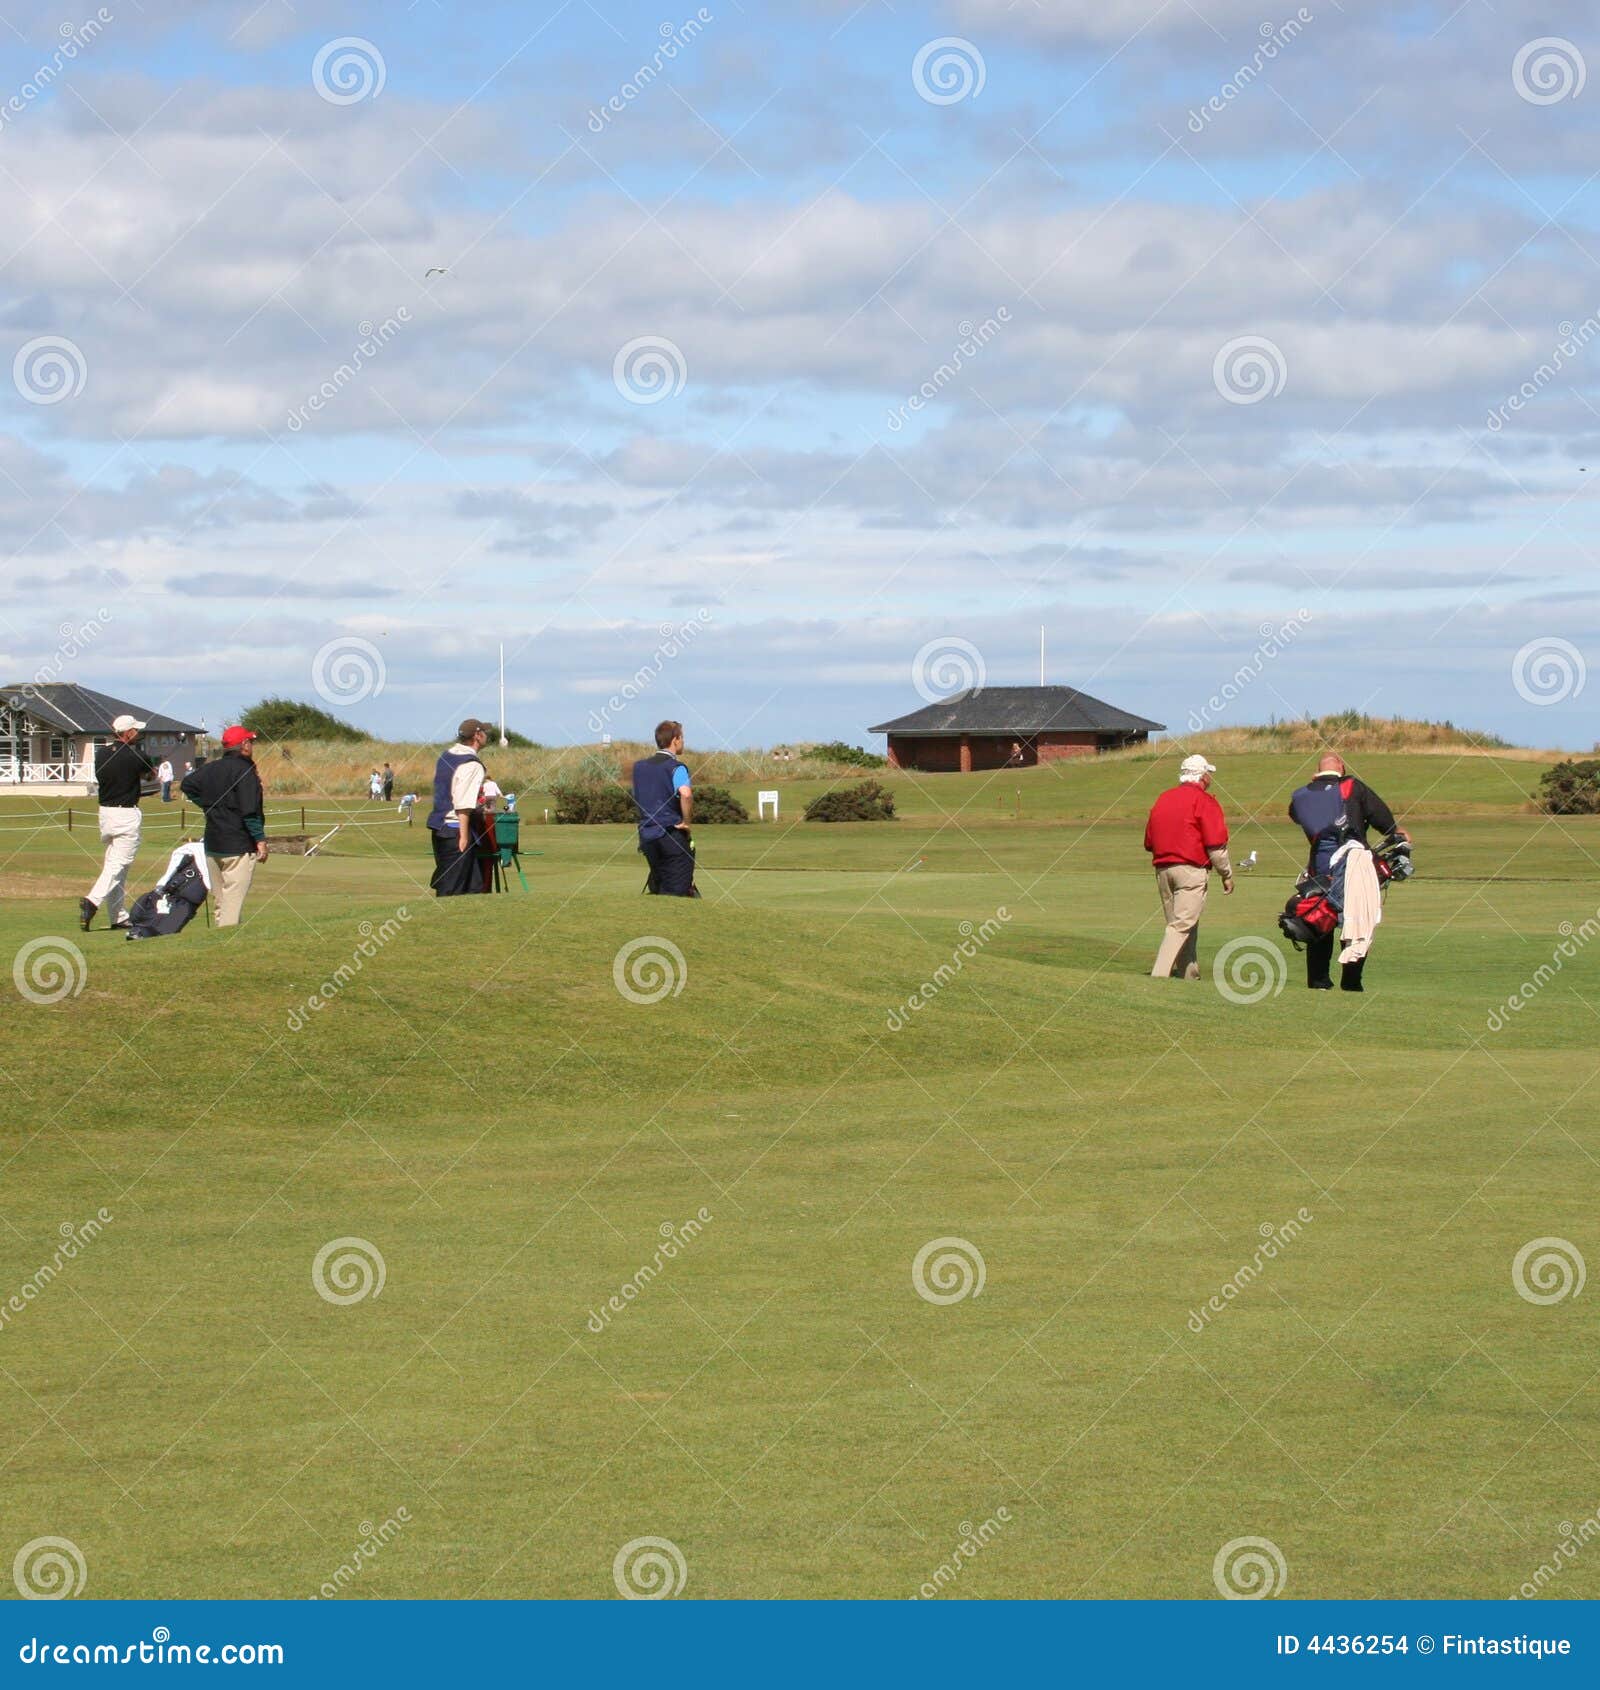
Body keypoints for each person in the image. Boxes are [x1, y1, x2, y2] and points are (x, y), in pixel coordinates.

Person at [1289, 754, 1408, 992]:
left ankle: (1319, 981)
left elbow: (1296, 815)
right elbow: (1380, 817)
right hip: (1354, 865)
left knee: (1320, 918)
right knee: (1357, 919)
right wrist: (1395, 831)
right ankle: (1351, 981)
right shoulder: (1352, 786)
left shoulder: (1300, 795)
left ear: (1317, 771)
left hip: (1319, 867)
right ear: (1341, 768)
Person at [1143, 753, 1233, 980]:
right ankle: (1159, 974)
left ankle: (1188, 974)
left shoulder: (1164, 798)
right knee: (1181, 925)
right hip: (1190, 870)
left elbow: (1149, 841)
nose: (1209, 779)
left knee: (1181, 924)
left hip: (1163, 870)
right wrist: (1226, 874)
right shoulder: (1205, 801)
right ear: (1202, 776)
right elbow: (1215, 845)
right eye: (1208, 774)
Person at [180, 725, 268, 927]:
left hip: (213, 843)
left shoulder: (211, 768)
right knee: (232, 902)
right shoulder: (246, 770)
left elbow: (188, 785)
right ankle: (226, 944)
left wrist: (208, 804)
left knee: (221, 900)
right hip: (238, 844)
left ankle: (220, 941)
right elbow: (250, 811)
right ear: (244, 745)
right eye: (250, 742)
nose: (252, 745)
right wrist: (260, 840)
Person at [81, 713, 155, 931]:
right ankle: (92, 901)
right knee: (118, 864)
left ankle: (118, 916)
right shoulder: (135, 757)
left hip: (106, 813)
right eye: (136, 731)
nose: (138, 734)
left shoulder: (102, 754)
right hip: (126, 815)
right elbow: (150, 776)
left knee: (117, 865)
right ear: (128, 732)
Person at [632, 720, 696, 896]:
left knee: (659, 885)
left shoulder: (639, 767)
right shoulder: (676, 767)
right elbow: (686, 794)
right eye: (681, 737)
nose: (683, 741)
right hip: (671, 833)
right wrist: (686, 822)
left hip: (647, 836)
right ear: (675, 739)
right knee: (676, 891)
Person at [427, 720, 490, 896]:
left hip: (440, 827)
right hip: (456, 829)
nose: (487, 735)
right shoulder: (472, 764)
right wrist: (464, 837)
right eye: (484, 732)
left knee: (472, 886)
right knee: (451, 890)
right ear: (477, 736)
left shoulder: (446, 755)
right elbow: (463, 804)